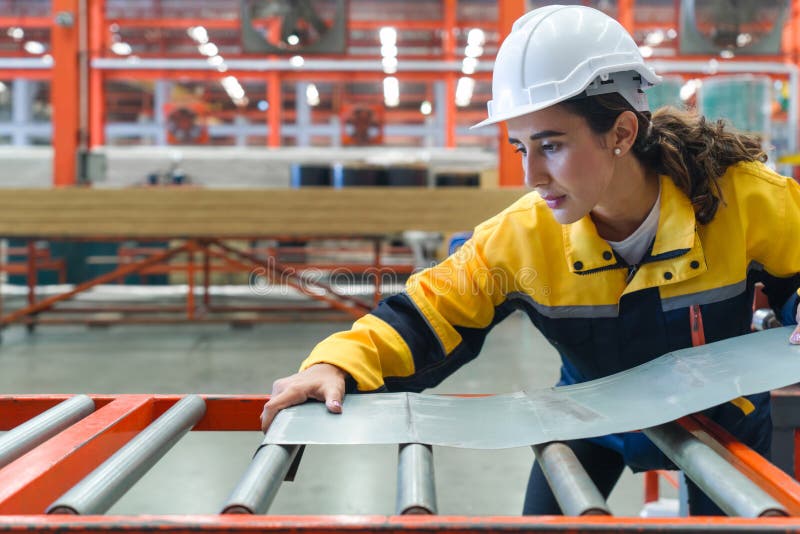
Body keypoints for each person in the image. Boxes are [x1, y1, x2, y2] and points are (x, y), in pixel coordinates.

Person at [260, 4, 800, 515]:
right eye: (521, 147)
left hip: (722, 418)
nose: (531, 176)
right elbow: (425, 315)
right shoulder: (521, 237)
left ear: (621, 132)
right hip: (593, 416)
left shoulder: (739, 200)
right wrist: (336, 363)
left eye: (552, 145)